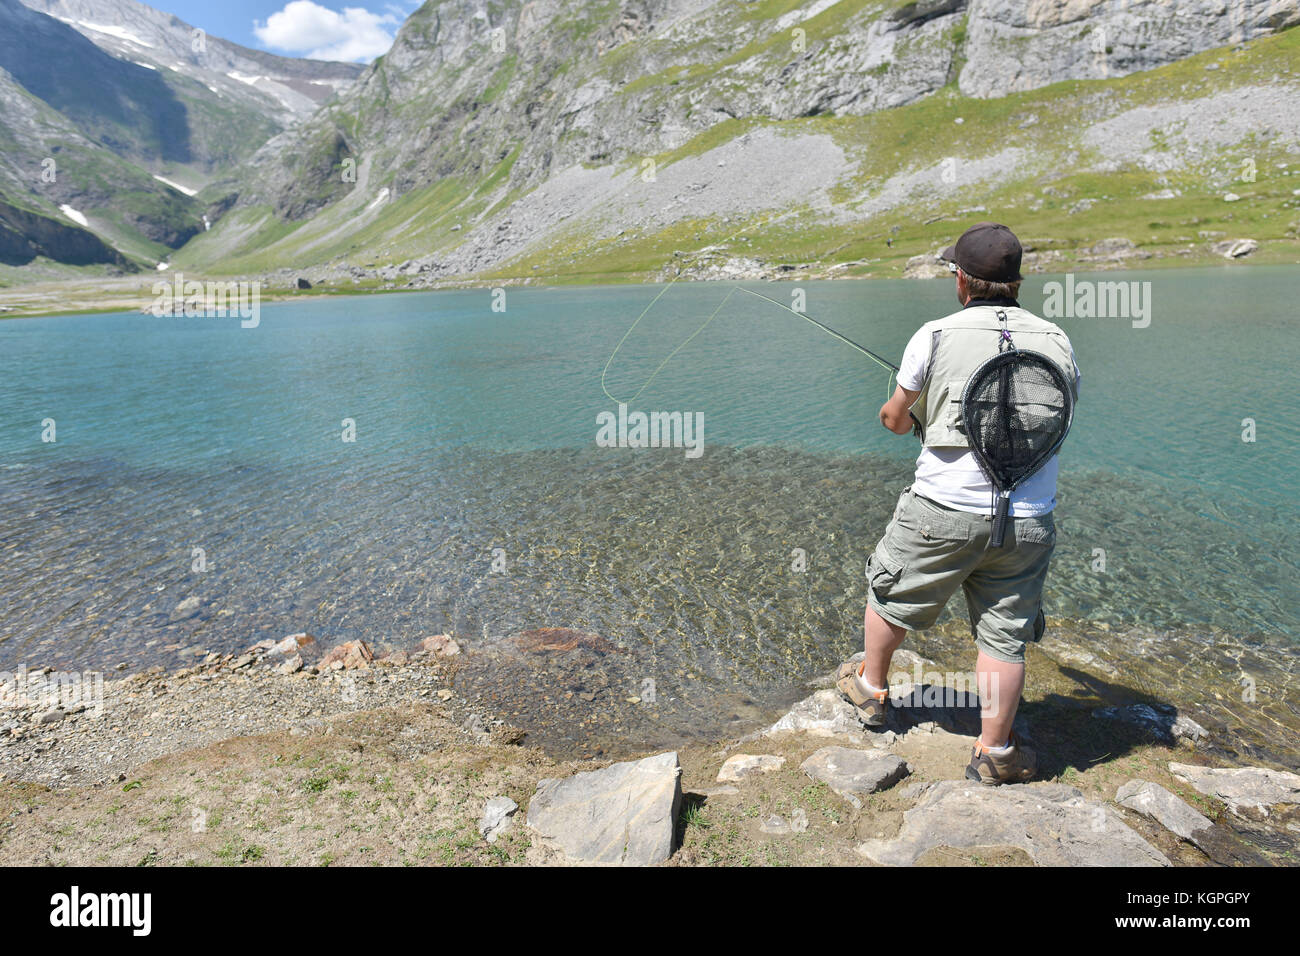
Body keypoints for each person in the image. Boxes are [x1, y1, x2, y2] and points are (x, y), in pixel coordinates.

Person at [836, 222, 1080, 785]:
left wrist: (899, 416)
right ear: (1016, 280)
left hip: (942, 509)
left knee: (891, 593)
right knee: (1005, 635)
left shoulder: (936, 334)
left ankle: (871, 690)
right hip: (1027, 520)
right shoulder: (1058, 341)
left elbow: (897, 420)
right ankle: (995, 752)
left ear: (962, 281)